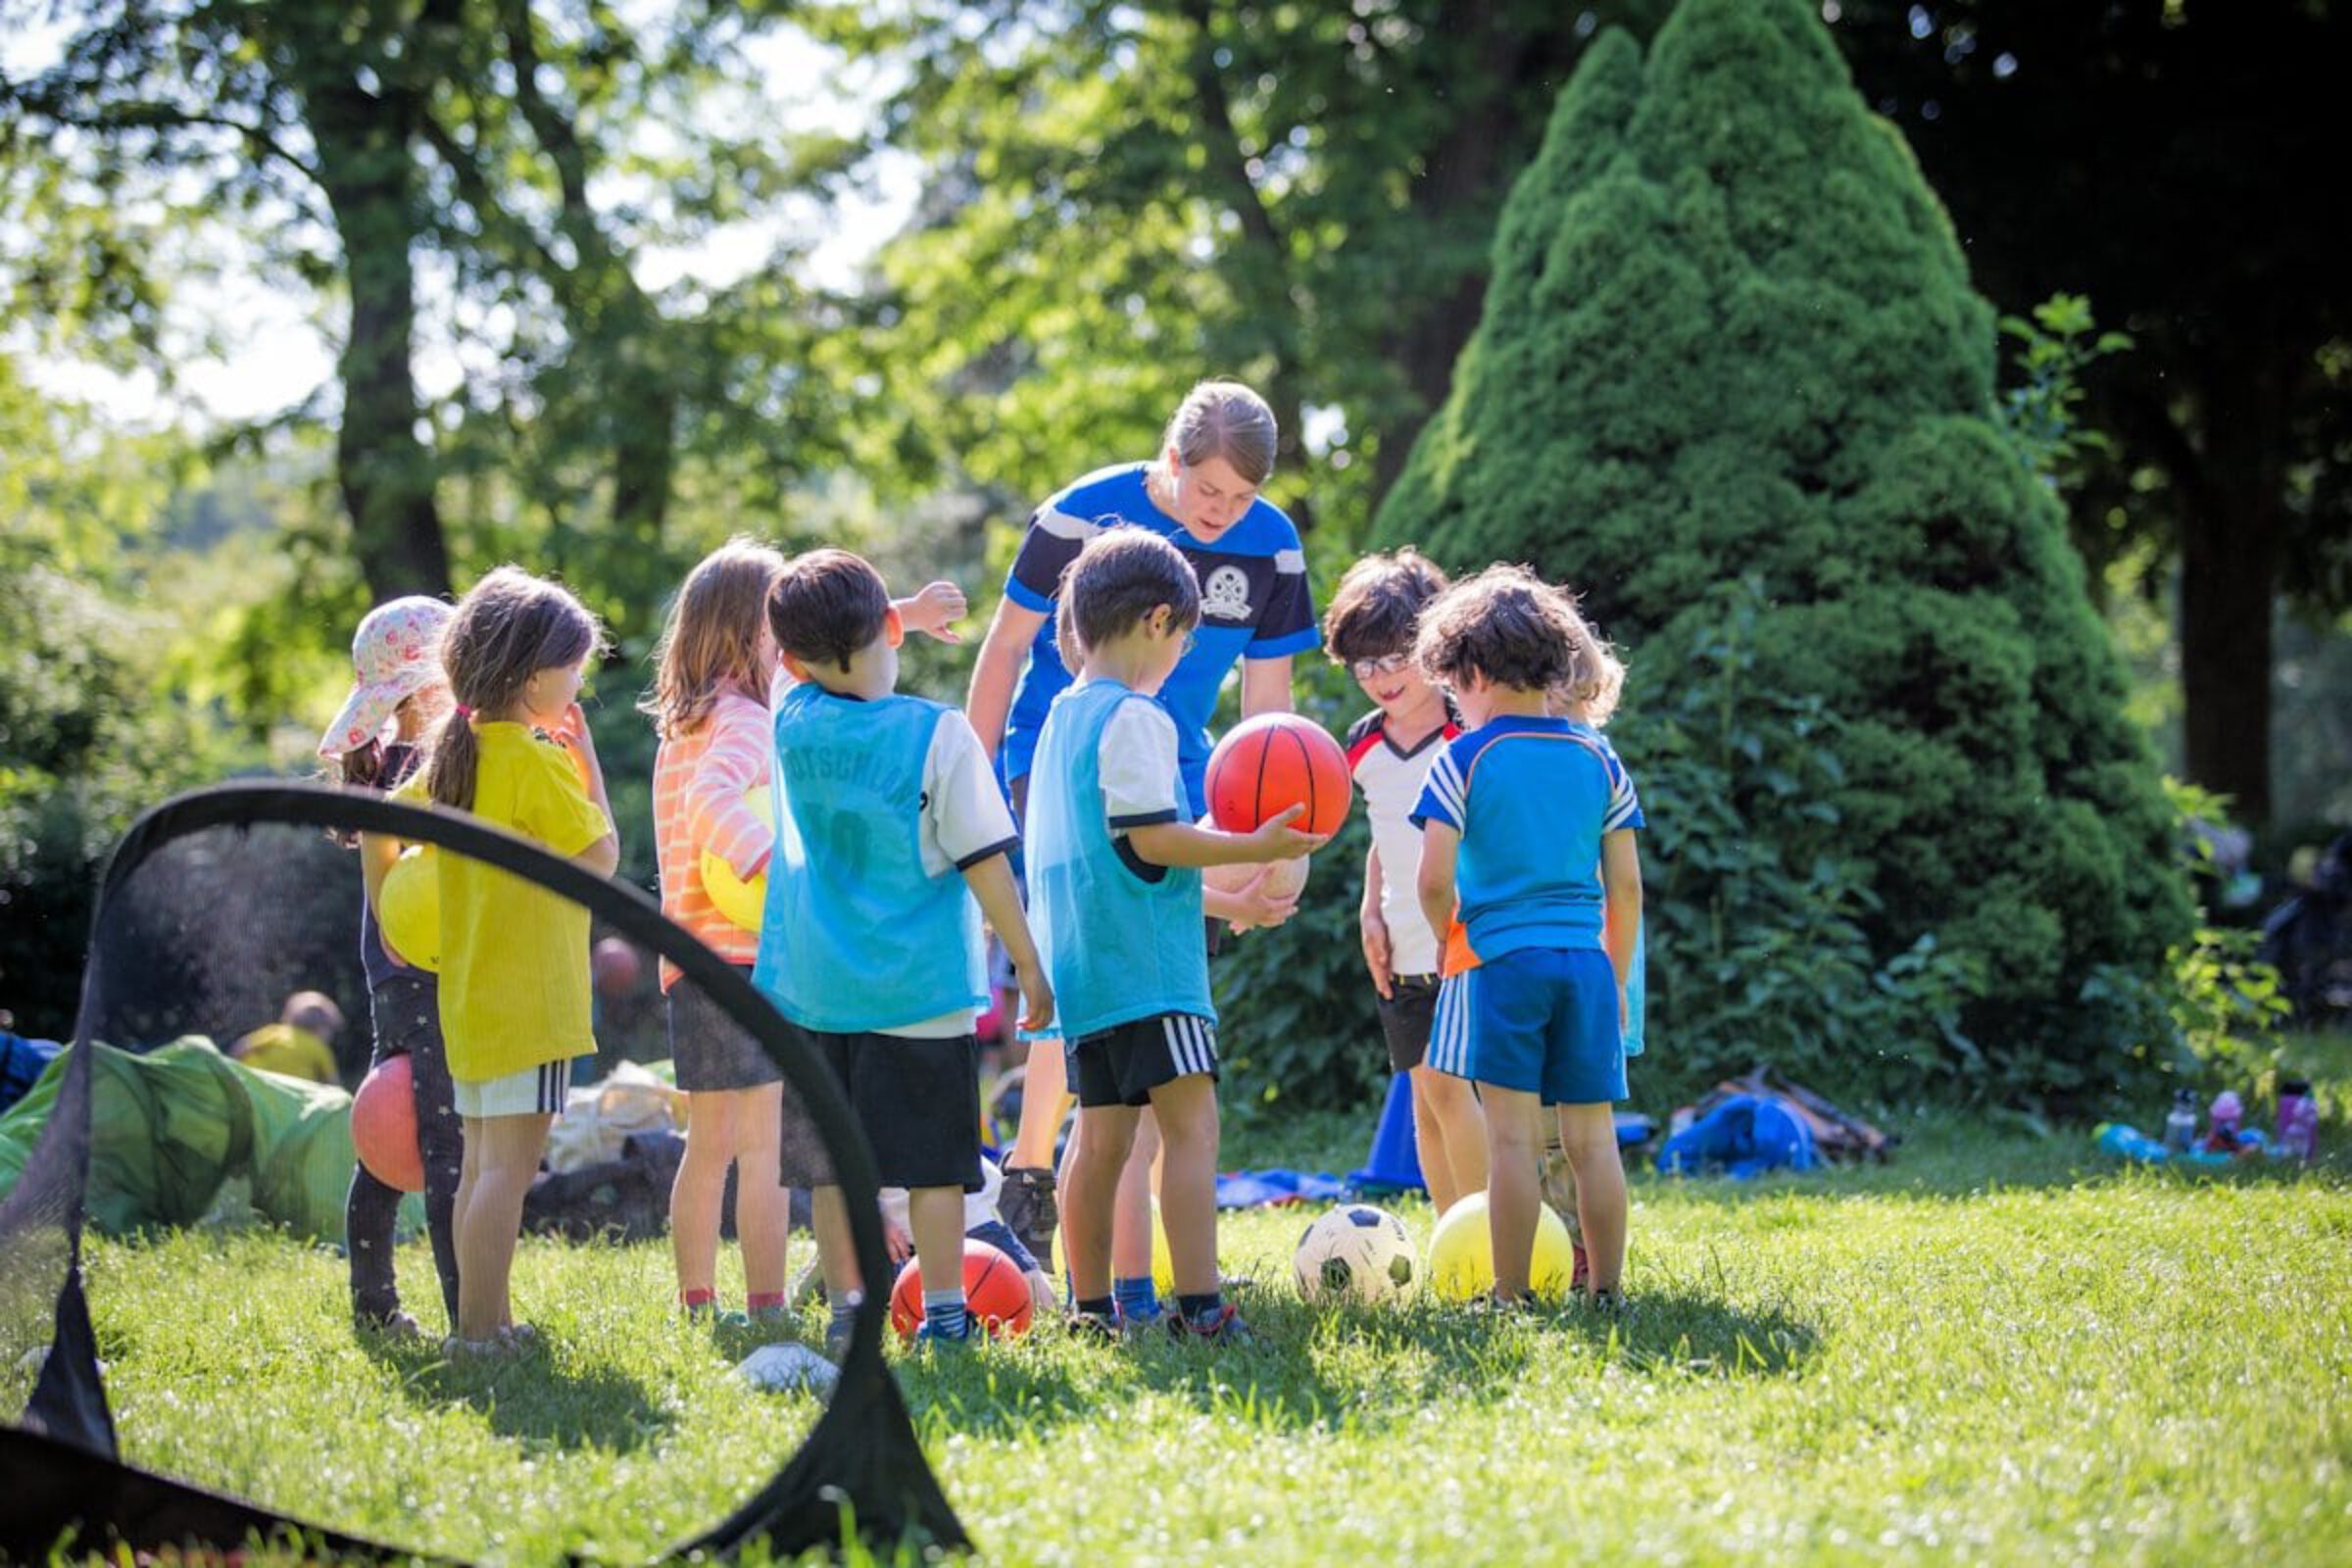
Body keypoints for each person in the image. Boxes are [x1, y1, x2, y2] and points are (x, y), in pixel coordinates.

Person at [964, 378, 1317, 1275]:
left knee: (1148, 976)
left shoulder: (1272, 550)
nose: (1222, 513)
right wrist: (969, 790)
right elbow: (1005, 647)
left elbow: (1266, 716)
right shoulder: (1081, 516)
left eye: (1241, 499)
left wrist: (1265, 839)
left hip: (1178, 759)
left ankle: (1123, 1252)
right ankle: (1031, 1178)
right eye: (1208, 492)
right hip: (1058, 751)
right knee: (1094, 973)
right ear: (1171, 459)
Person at [1026, 529, 1326, 1342]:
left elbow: (1108, 861)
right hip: (1155, 977)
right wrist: (1254, 848)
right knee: (1192, 1131)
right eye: (1189, 637)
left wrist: (1231, 902)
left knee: (1098, 1143)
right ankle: (1200, 1309)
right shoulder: (1136, 717)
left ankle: (1090, 1313)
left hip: (1089, 975)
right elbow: (1154, 841)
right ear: (1160, 620)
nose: (1184, 653)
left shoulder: (1058, 724)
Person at [751, 549, 1052, 1349]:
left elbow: (790, 663)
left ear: (792, 659)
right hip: (920, 993)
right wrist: (1025, 960)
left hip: (813, 992)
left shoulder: (789, 719)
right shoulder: (938, 735)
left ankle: (856, 1314)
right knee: (934, 1167)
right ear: (887, 630)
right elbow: (984, 859)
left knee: (830, 1168)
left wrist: (900, 612)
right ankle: (947, 1315)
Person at [370, 566, 618, 1354]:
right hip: (533, 1005)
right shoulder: (534, 760)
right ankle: (479, 1333)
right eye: (573, 667)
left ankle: (488, 1320)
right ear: (532, 675)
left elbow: (376, 825)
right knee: (505, 1175)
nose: (579, 681)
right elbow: (602, 858)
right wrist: (590, 769)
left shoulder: (455, 754)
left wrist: (385, 907)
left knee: (482, 1168)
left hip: (471, 1002)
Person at [1411, 565, 1642, 1310]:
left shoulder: (1463, 757)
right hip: (1584, 964)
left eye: (1454, 687)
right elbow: (1627, 886)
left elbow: (1432, 878)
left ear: (1474, 673)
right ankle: (1606, 1290)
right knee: (1593, 1141)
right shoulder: (1597, 757)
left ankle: (1508, 1295)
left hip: (1502, 964)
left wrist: (1450, 933)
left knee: (1510, 1141)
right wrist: (1616, 976)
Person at [644, 540, 799, 1326]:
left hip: (691, 963)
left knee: (708, 1146)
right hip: (746, 958)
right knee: (763, 1146)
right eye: (780, 631)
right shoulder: (744, 723)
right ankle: (767, 1305)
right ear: (749, 635)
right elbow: (715, 803)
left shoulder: (683, 730)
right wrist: (763, 858)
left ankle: (697, 1302)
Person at [1324, 549, 1487, 1217]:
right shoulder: (1359, 745)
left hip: (1467, 942)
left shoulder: (1468, 728)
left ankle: (1493, 1239)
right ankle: (1458, 1246)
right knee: (1424, 1100)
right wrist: (1369, 911)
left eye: (1395, 656)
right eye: (1364, 664)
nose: (1381, 677)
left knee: (1453, 1092)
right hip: (1399, 947)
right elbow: (1384, 831)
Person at [321, 594, 465, 1338]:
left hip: (389, 973)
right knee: (445, 1145)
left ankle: (373, 1307)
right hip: (423, 967)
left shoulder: (382, 764)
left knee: (387, 1137)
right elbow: (403, 889)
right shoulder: (429, 764)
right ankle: (467, 1317)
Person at [230, 992, 345, 1085]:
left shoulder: (275, 1031)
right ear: (321, 1027)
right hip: (288, 1090)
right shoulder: (318, 1047)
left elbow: (240, 1047)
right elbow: (333, 1083)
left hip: (255, 1081)